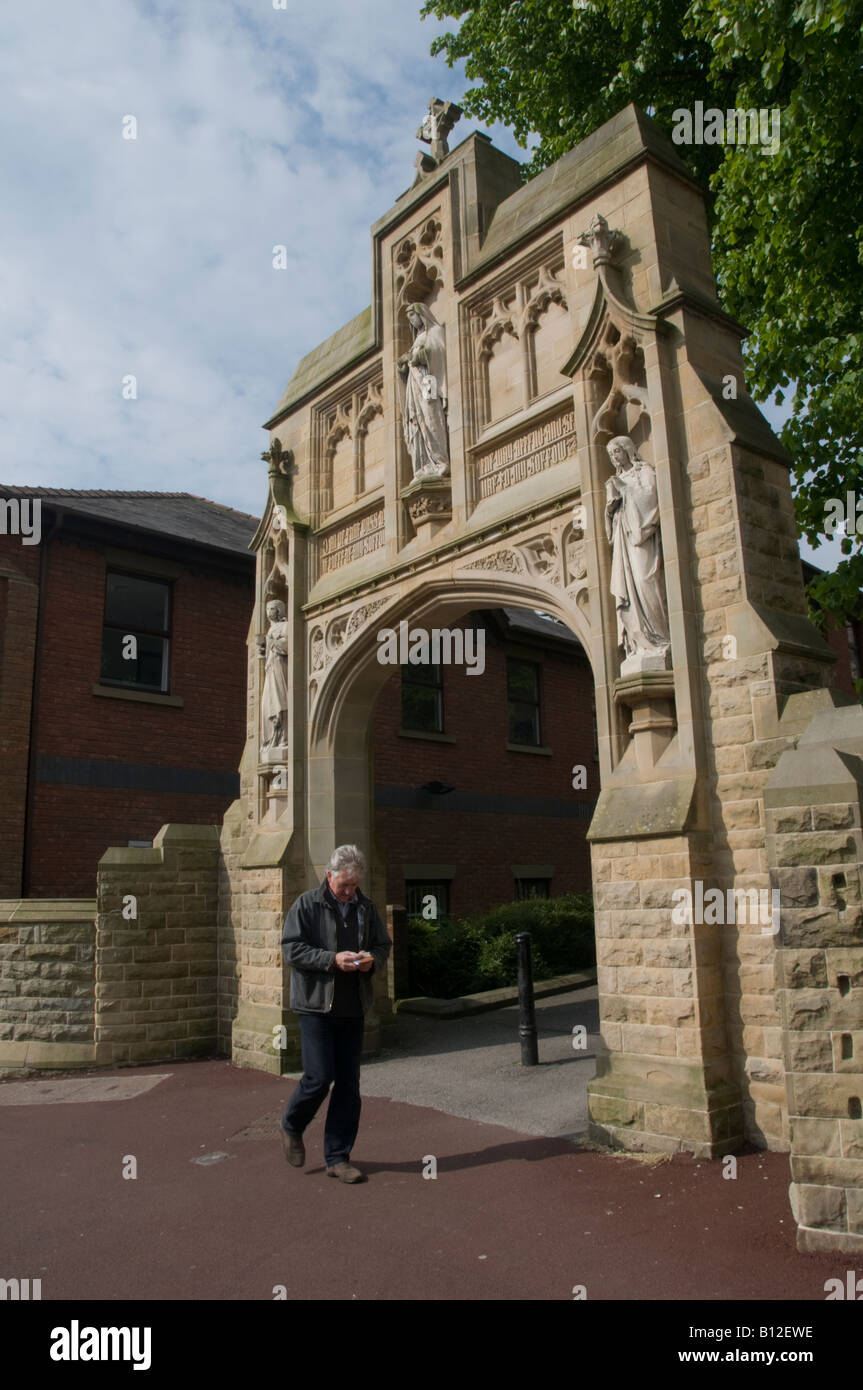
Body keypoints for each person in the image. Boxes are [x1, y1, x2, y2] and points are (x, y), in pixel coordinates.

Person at [279, 844, 391, 1183]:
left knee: (348, 1085)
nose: (349, 891)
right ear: (329, 876)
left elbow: (383, 946)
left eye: (354, 885)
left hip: (352, 1007)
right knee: (318, 1077)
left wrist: (371, 960)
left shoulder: (366, 909)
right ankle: (292, 1124)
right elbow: (291, 948)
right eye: (344, 884)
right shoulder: (307, 905)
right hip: (315, 1006)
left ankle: (338, 1158)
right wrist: (332, 960)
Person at [604, 435, 670, 662]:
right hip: (624, 539)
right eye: (611, 455)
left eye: (617, 452)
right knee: (628, 591)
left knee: (645, 580)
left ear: (628, 451)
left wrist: (626, 490)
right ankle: (638, 643)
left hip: (641, 536)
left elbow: (651, 497)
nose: (614, 458)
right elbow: (611, 521)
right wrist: (611, 507)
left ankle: (657, 639)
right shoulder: (617, 478)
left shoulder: (644, 472)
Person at [397, 302, 449, 477]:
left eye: (412, 315)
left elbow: (437, 351)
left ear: (421, 314)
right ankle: (425, 464)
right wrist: (404, 364)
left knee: (430, 414)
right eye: (408, 317)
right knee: (417, 419)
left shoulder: (433, 332)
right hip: (415, 383)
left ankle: (440, 460)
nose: (411, 320)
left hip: (428, 380)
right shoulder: (417, 337)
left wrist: (414, 356)